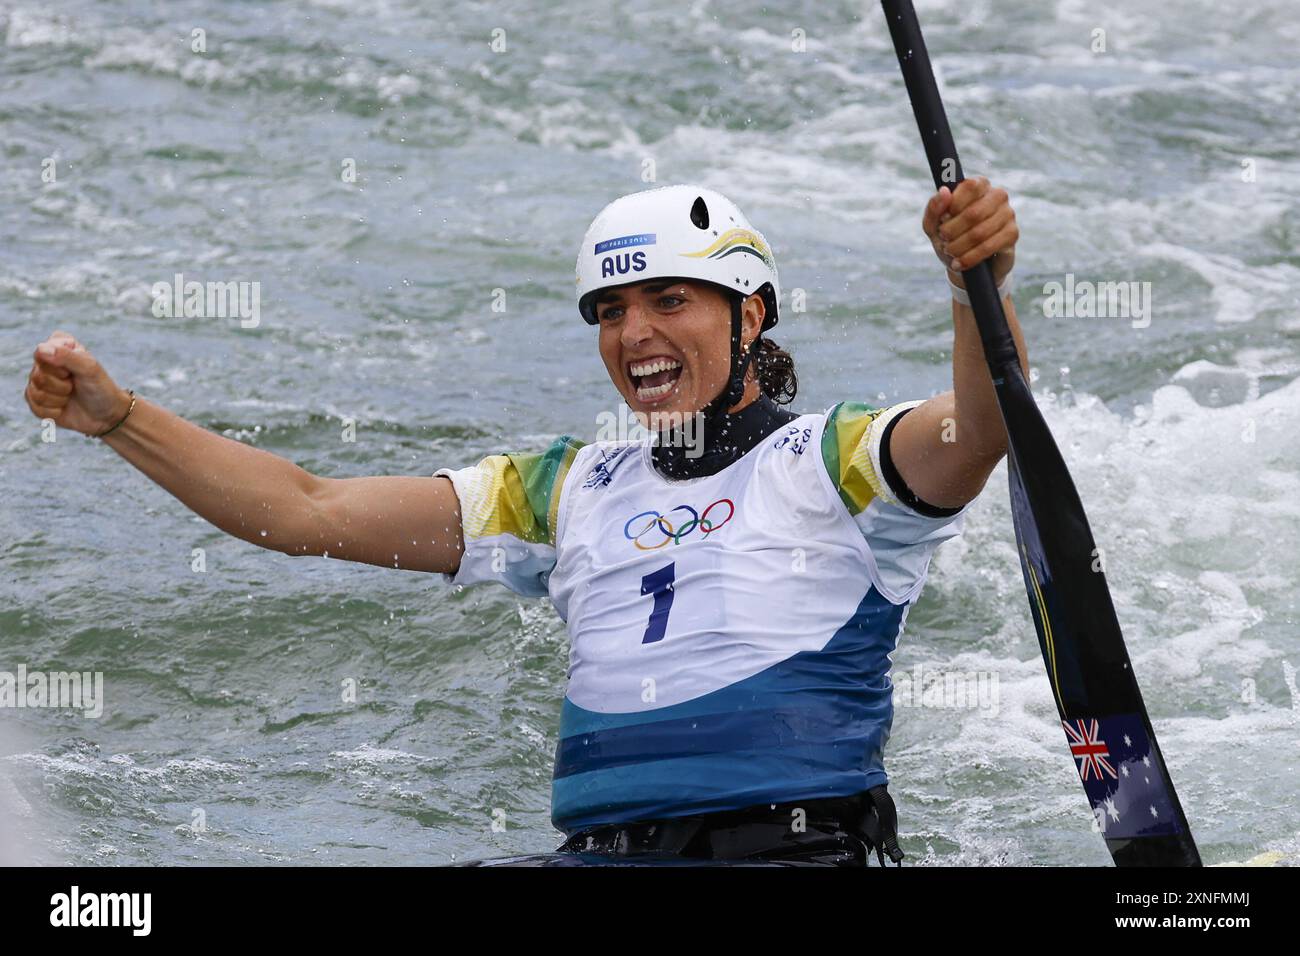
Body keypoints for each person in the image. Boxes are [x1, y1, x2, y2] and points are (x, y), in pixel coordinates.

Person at [23, 180, 1027, 866]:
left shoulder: (839, 461)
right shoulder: (560, 490)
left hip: (791, 850)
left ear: (750, 316)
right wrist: (118, 417)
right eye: (608, 310)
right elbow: (304, 506)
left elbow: (982, 424)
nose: (633, 332)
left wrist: (970, 280)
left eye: (668, 299)